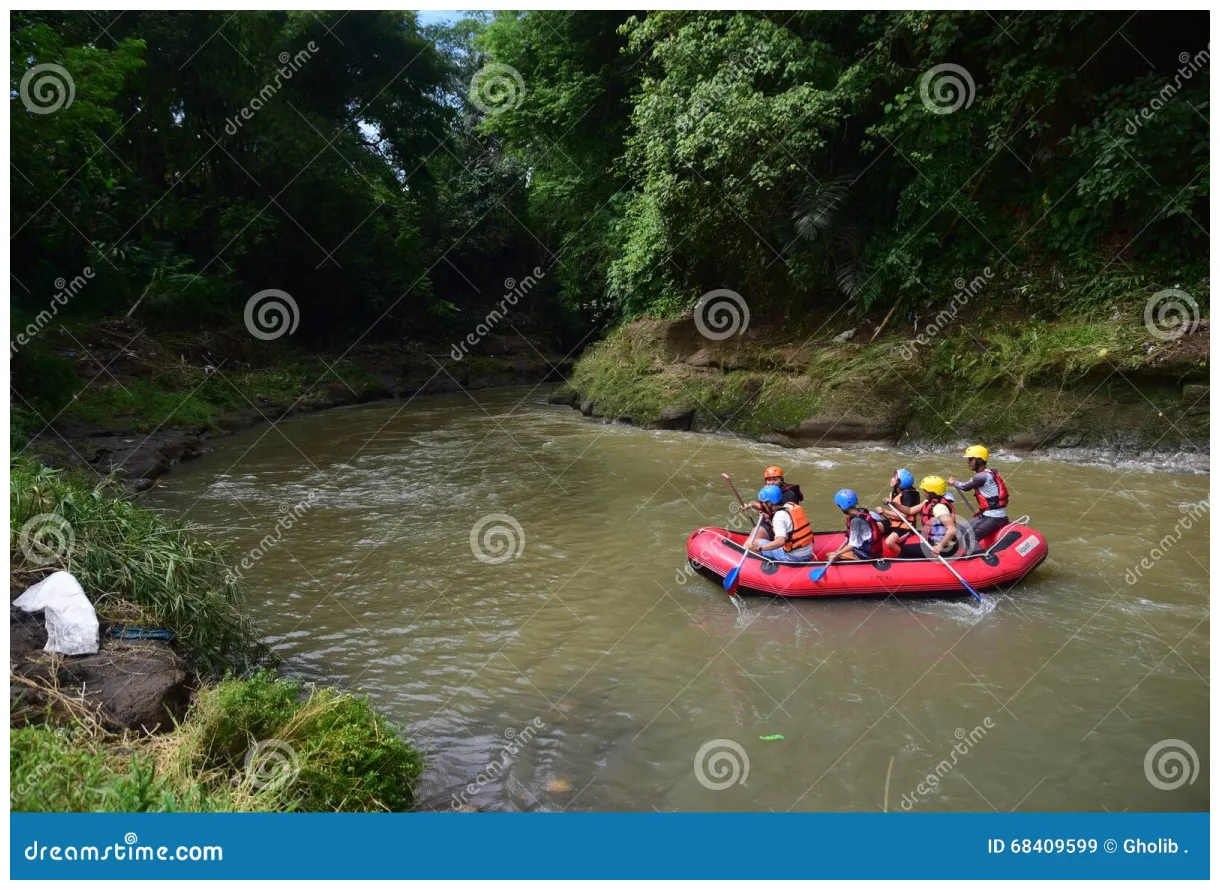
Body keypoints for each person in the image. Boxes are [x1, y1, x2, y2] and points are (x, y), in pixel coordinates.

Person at [886, 475, 959, 558]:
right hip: (934, 541)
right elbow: (910, 511)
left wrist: (940, 546)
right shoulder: (928, 502)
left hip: (945, 547)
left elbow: (952, 528)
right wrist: (894, 504)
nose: (924, 493)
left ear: (932, 492)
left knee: (905, 550)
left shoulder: (939, 508)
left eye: (925, 491)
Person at [948, 445, 1010, 542]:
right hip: (988, 514)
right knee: (959, 528)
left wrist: (954, 482)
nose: (968, 462)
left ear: (979, 460)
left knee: (969, 538)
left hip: (994, 517)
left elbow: (965, 487)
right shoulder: (990, 472)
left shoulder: (981, 477)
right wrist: (981, 510)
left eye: (971, 459)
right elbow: (991, 497)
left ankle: (978, 556)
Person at [748, 484, 814, 562]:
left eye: (764, 503)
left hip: (793, 557)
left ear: (769, 503)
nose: (763, 505)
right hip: (808, 552)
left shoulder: (779, 516)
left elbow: (781, 541)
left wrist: (760, 548)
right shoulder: (791, 505)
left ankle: (763, 567)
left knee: (754, 543)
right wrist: (768, 517)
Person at [827, 489, 885, 561]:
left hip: (867, 554)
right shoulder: (861, 511)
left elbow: (852, 545)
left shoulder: (856, 521)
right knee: (833, 554)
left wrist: (836, 554)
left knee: (829, 556)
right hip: (869, 549)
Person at [879, 468, 921, 556]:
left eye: (894, 478)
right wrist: (884, 513)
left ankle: (902, 557)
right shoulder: (897, 492)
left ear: (900, 482)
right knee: (873, 526)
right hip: (893, 522)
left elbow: (902, 516)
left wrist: (884, 511)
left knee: (889, 542)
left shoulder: (909, 495)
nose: (891, 479)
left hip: (906, 525)